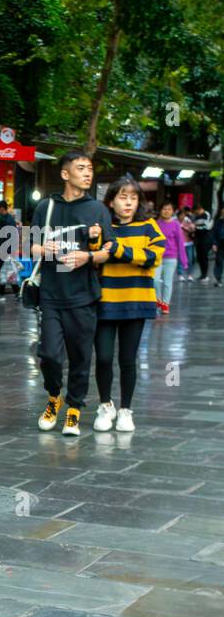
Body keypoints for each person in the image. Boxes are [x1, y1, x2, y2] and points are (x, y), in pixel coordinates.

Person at [29, 150, 113, 436]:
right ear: (65, 174)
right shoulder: (46, 207)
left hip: (83, 294)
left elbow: (108, 252)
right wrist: (45, 249)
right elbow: (32, 247)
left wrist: (87, 256)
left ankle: (74, 407)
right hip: (51, 294)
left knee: (80, 356)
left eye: (90, 168)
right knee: (49, 355)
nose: (88, 173)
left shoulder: (98, 210)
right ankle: (55, 396)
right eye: (81, 168)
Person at [94, 176, 162, 433]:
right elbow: (95, 255)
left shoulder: (149, 226)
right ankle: (105, 405)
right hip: (105, 301)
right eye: (123, 197)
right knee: (102, 357)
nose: (128, 203)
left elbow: (152, 258)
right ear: (111, 201)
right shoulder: (103, 227)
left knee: (127, 359)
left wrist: (119, 250)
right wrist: (96, 241)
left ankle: (125, 410)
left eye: (133, 198)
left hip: (136, 300)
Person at [152, 202, 187, 314]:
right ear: (160, 210)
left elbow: (180, 243)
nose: (166, 211)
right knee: (155, 280)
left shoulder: (176, 224)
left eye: (169, 209)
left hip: (171, 258)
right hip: (157, 257)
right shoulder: (155, 224)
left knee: (167, 282)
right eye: (164, 209)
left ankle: (165, 304)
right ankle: (159, 301)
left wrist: (184, 261)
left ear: (172, 211)